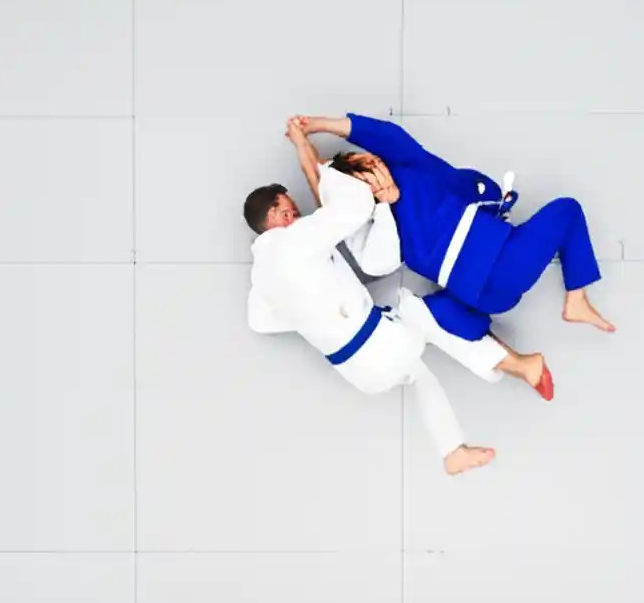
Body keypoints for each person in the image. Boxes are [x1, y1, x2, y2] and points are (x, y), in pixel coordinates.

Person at [242, 121, 552, 476]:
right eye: (292, 211)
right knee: (425, 311)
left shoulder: (261, 279)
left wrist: (308, 310)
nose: (298, 215)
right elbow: (349, 208)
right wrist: (380, 198)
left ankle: (453, 450)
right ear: (278, 215)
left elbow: (259, 321)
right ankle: (520, 365)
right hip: (380, 342)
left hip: (358, 373)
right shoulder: (296, 238)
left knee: (419, 375)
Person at [289, 113, 615, 343]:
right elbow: (334, 188)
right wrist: (386, 204)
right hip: (501, 268)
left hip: (481, 296)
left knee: (440, 309)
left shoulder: (392, 184)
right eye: (363, 162)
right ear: (358, 177)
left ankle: (489, 340)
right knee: (567, 210)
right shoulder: (377, 209)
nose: (372, 159)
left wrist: (309, 132)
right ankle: (576, 298)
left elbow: (378, 139)